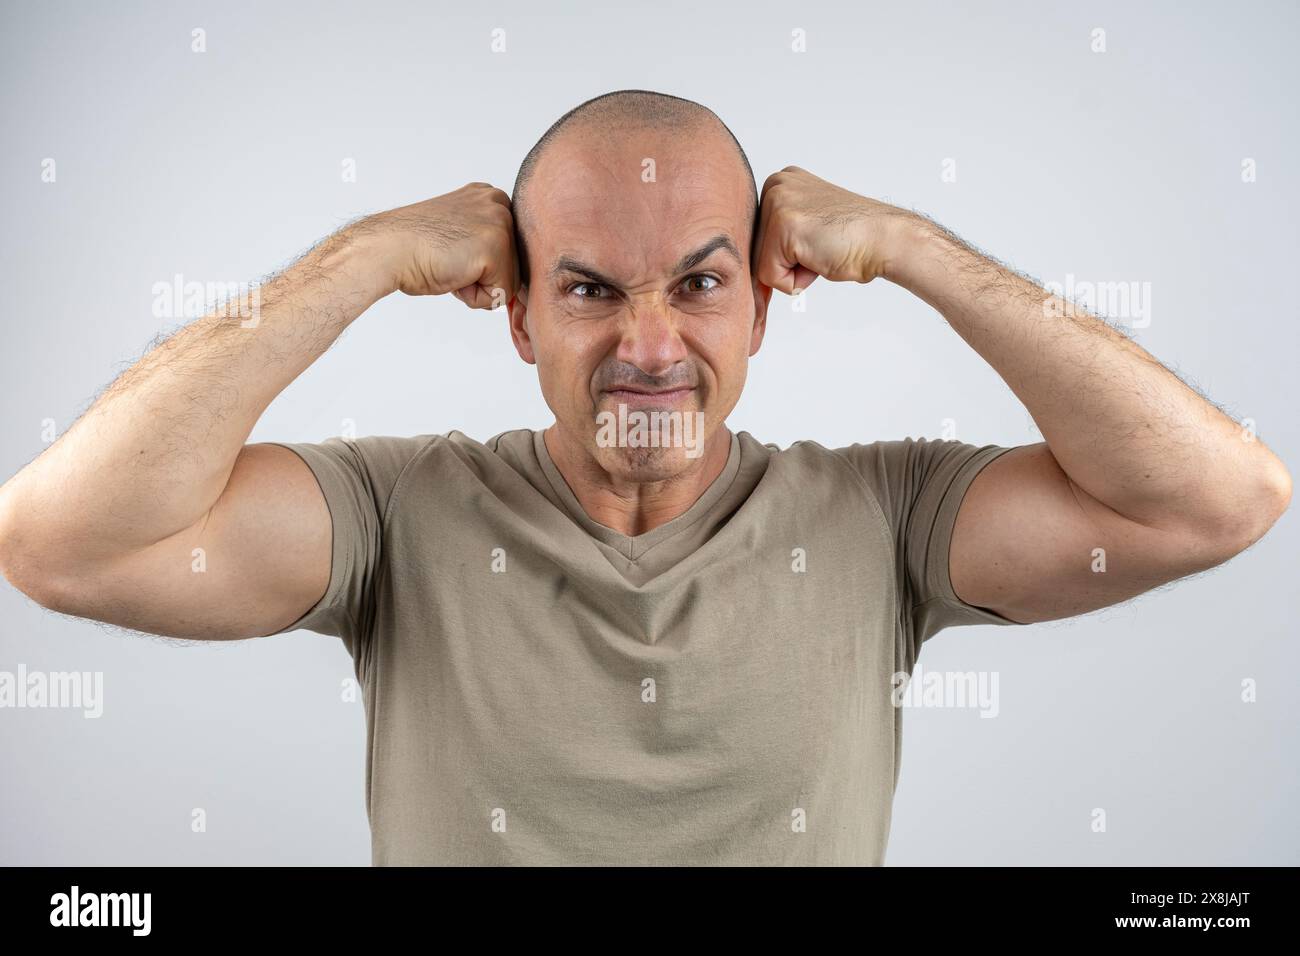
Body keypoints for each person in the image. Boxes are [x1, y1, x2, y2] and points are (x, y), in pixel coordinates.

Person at [0, 90, 1289, 865]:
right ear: (515, 316)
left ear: (763, 311)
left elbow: (1219, 501)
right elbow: (61, 544)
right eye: (589, 290)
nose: (650, 344)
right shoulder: (398, 521)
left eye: (699, 283)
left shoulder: (881, 522)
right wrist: (367, 254)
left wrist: (911, 245)